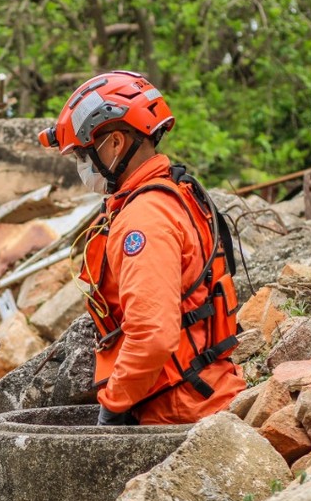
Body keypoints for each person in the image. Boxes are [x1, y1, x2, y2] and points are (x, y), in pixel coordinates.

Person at [38, 70, 246, 425]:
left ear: (116, 143)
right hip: (201, 393)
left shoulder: (143, 219)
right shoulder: (172, 192)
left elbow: (153, 335)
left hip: (177, 412)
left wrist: (114, 405)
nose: (82, 168)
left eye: (83, 156)